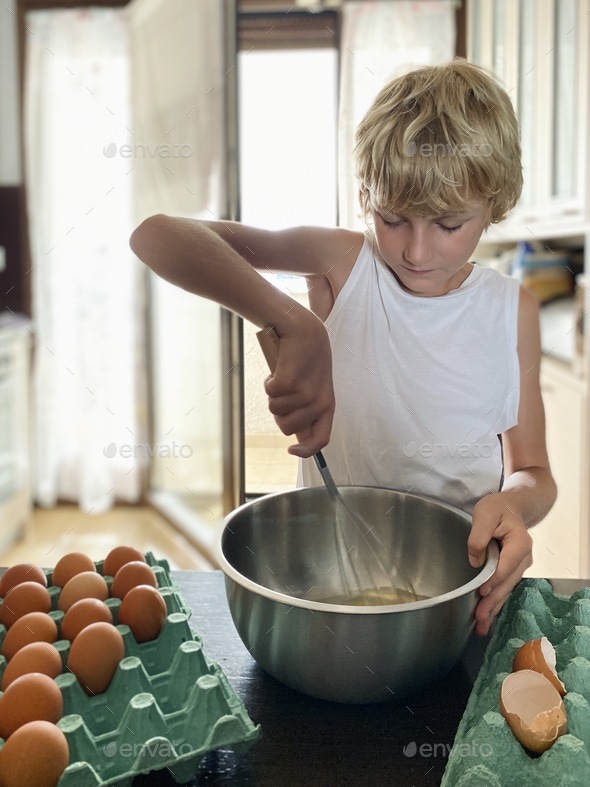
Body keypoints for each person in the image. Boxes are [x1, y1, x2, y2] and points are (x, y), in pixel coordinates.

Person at [130, 58, 557, 636]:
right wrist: (292, 321)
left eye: (449, 225)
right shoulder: (343, 264)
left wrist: (514, 506)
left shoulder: (513, 310)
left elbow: (532, 470)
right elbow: (157, 234)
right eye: (393, 218)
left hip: (454, 595)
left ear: (495, 204)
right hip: (328, 587)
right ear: (366, 196)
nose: (416, 251)